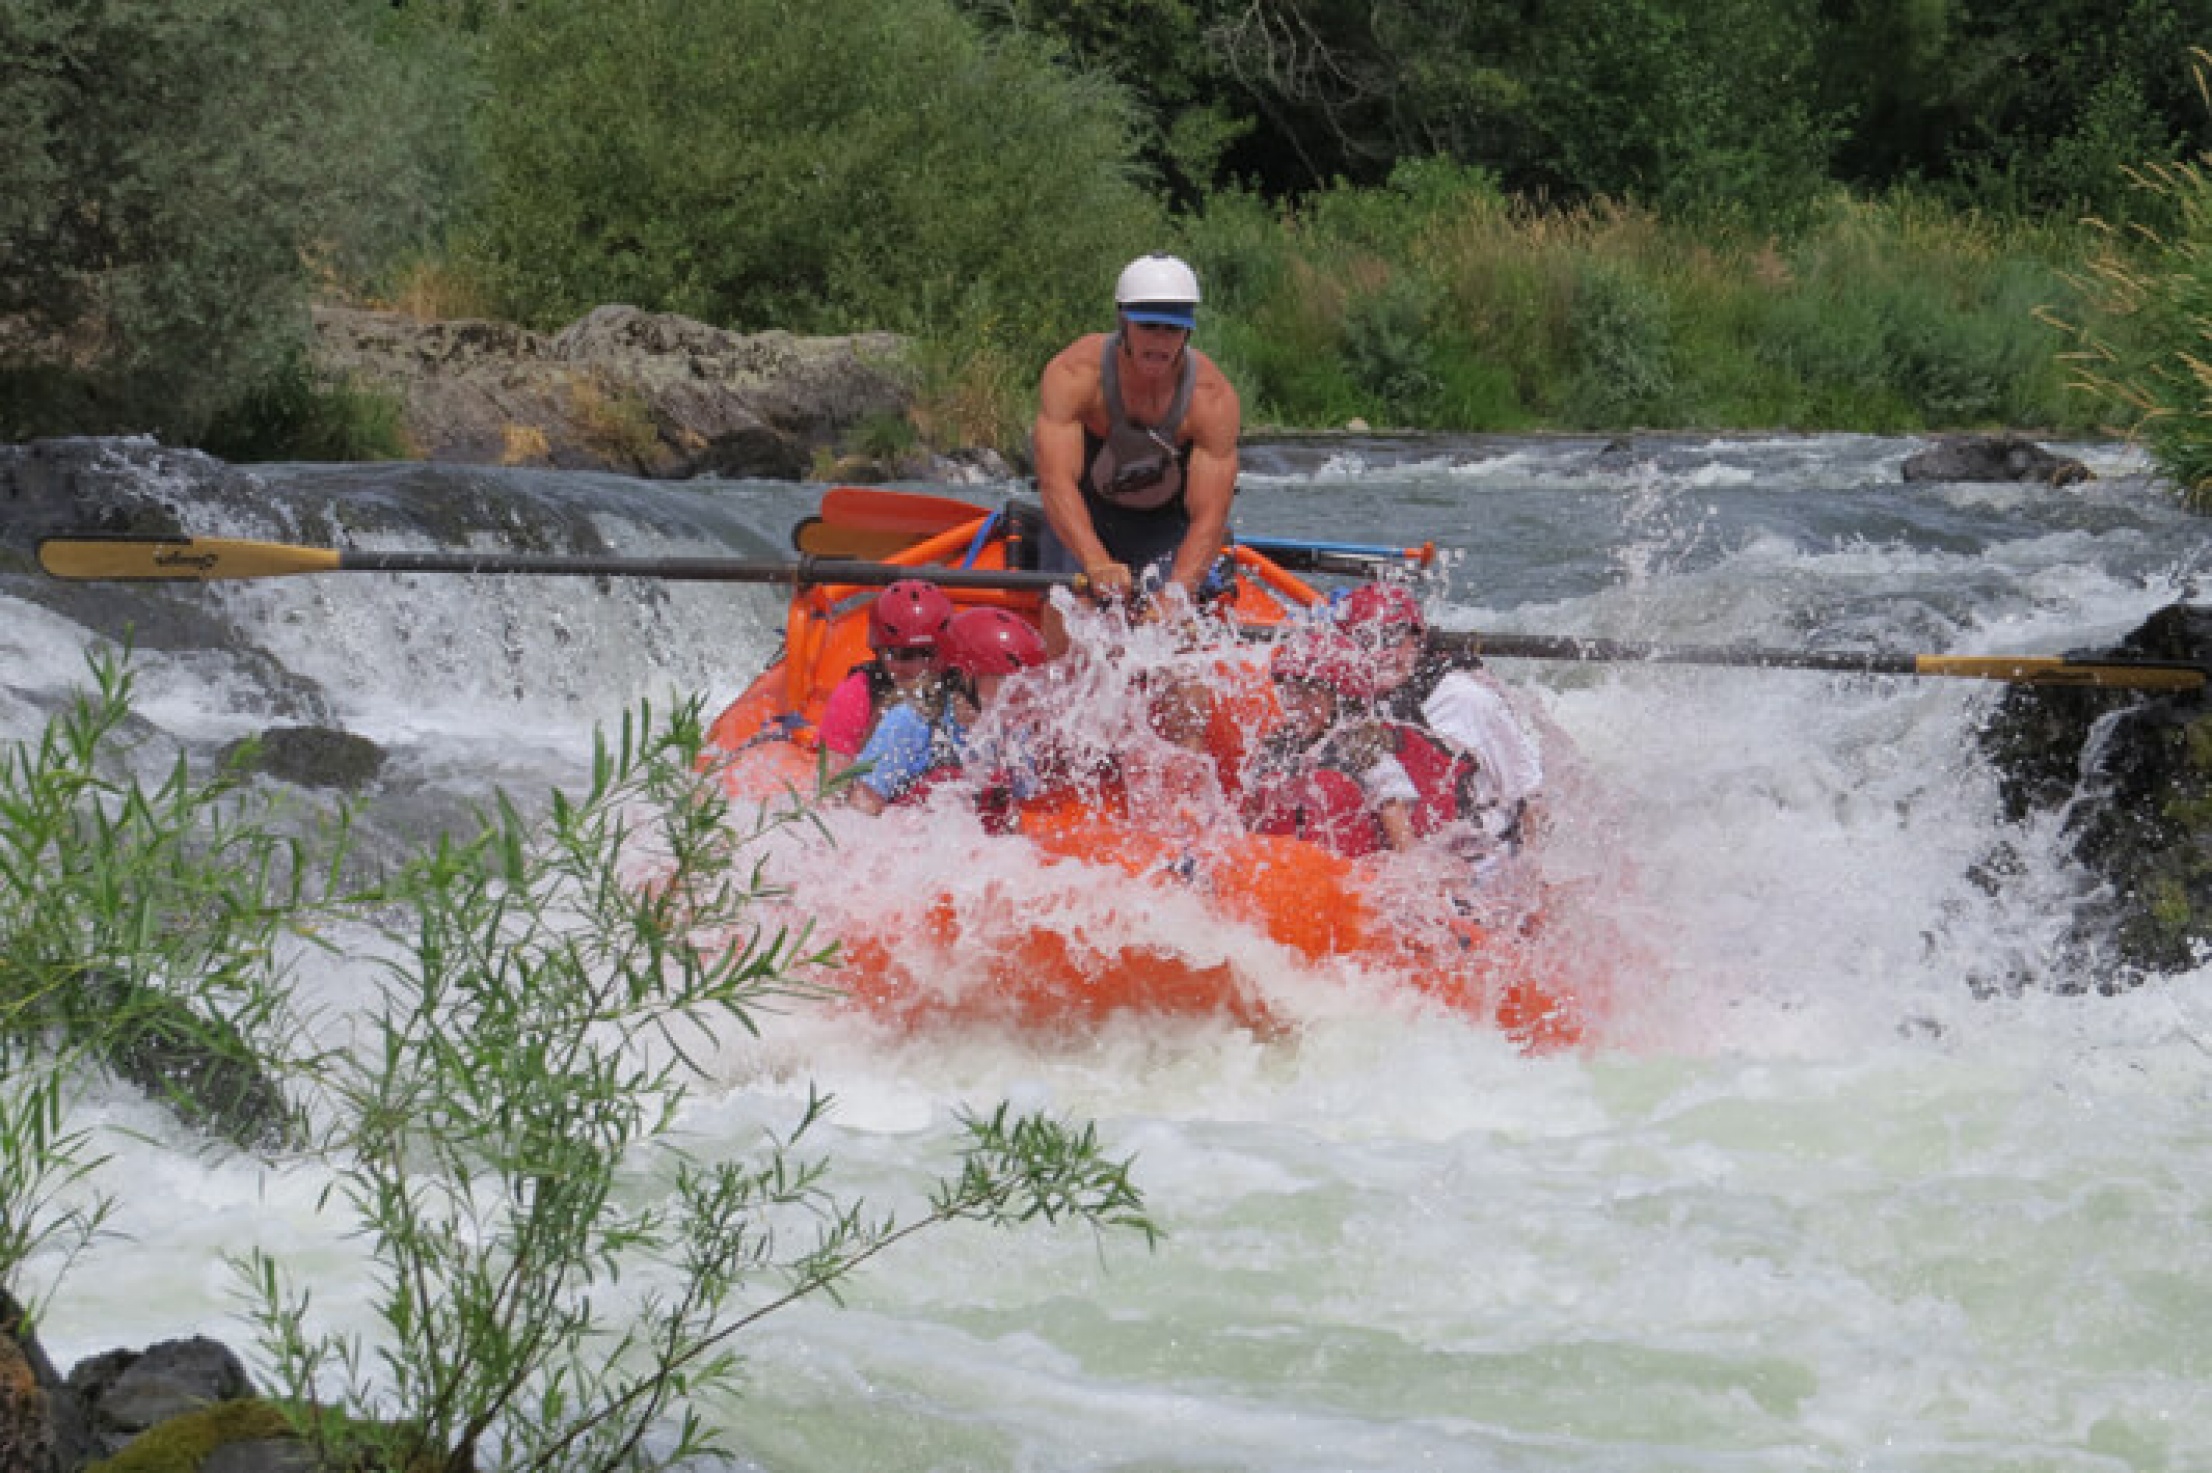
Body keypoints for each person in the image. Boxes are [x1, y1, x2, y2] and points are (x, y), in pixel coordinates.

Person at [1031, 253, 1242, 654]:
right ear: (1123, 323)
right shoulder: (1076, 374)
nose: (1159, 342)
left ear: (1188, 334)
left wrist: (1176, 594)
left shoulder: (1212, 399)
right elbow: (1055, 482)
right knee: (1069, 611)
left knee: (1178, 633)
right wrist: (1094, 561)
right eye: (1147, 327)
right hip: (1085, 513)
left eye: (1173, 330)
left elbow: (1210, 515)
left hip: (1164, 526)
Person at [1335, 582, 1544, 854]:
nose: (1381, 653)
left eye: (1392, 637)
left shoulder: (1466, 699)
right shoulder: (1347, 707)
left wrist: (1531, 874)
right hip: (1411, 855)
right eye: (1365, 641)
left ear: (1418, 639)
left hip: (1482, 857)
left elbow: (1528, 792)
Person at [845, 605, 1048, 816]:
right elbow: (862, 807)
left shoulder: (1013, 732)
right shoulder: (910, 722)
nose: (1022, 691)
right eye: (1007, 680)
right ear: (965, 677)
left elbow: (1024, 810)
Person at [1241, 630, 1423, 857]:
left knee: (1329, 783)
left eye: (1308, 694)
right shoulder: (1274, 748)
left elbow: (1405, 844)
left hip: (1347, 879)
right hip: (1282, 876)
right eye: (1289, 692)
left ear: (1341, 698)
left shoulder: (1365, 753)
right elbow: (1245, 824)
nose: (1296, 704)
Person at [819, 578, 956, 777]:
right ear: (880, 653)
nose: (919, 667)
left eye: (929, 652)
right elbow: (831, 789)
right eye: (903, 655)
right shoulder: (858, 693)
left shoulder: (961, 685)